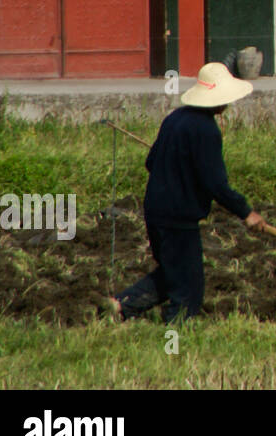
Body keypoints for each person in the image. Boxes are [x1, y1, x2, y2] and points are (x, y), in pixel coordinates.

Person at [107, 62, 267, 322]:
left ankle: (121, 306)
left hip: (155, 211)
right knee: (189, 290)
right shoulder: (206, 131)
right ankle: (175, 336)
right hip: (178, 218)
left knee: (174, 272)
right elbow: (216, 185)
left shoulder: (174, 119)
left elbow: (151, 163)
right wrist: (247, 212)